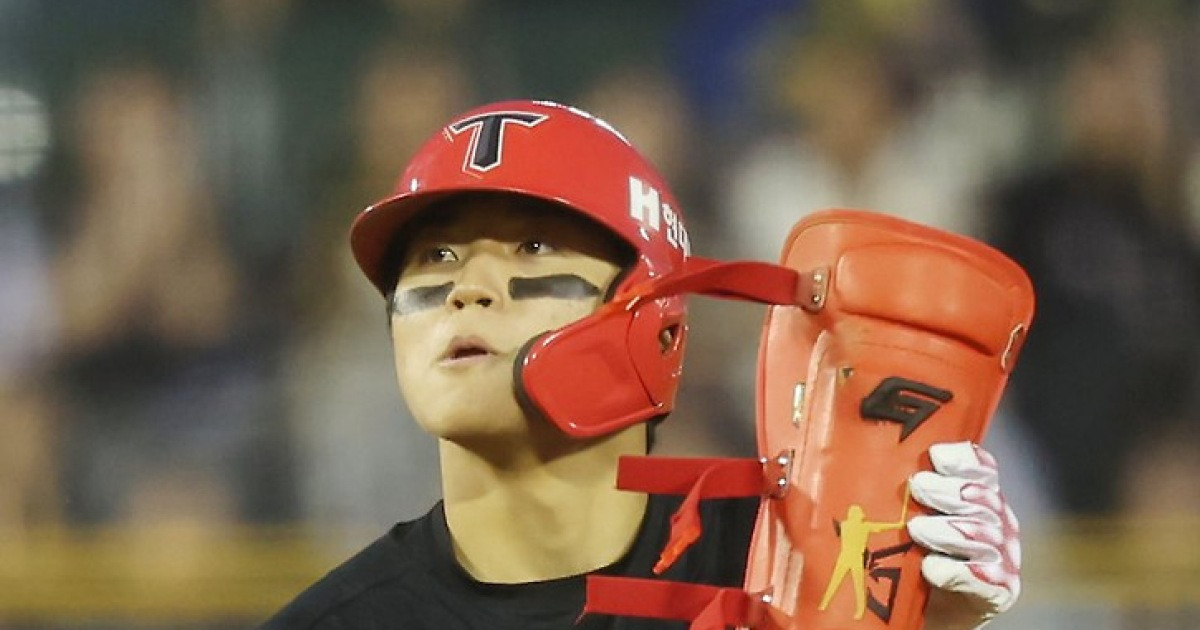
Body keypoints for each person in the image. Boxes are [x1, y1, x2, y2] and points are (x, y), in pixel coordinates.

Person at [260, 100, 1020, 630]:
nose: (468, 288)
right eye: (436, 256)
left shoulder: (800, 563)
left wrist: (931, 627)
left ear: (657, 328)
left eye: (531, 247)